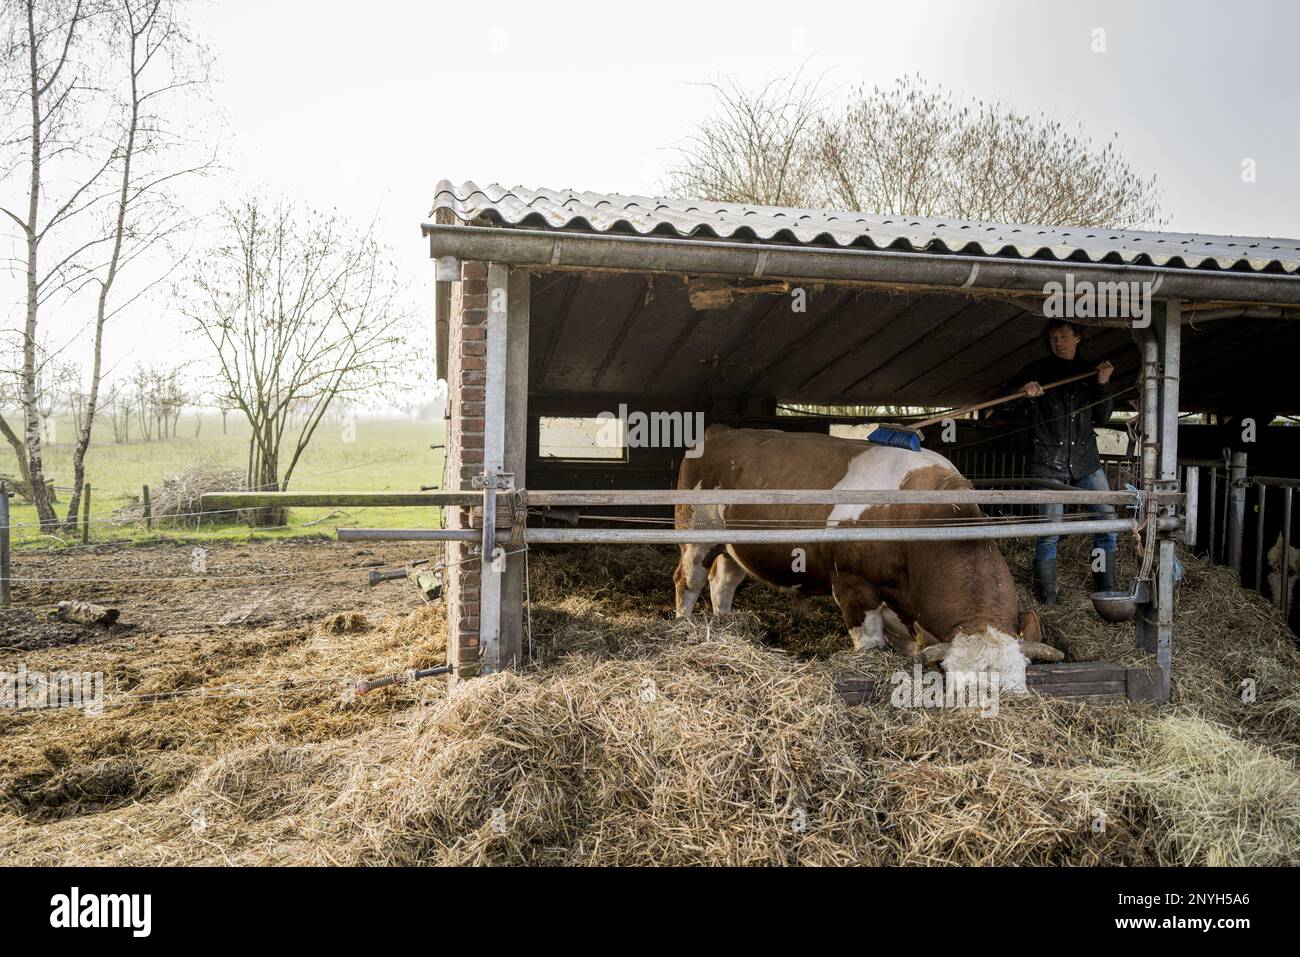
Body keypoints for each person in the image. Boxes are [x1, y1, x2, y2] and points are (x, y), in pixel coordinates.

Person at [1007, 320, 1116, 605]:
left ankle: (1105, 592)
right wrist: (1024, 393)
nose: (1058, 342)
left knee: (1106, 524)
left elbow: (1102, 418)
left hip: (1085, 461)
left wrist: (1103, 385)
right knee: (1048, 532)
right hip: (1048, 462)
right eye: (1053, 337)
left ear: (1078, 338)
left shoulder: (1091, 372)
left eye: (1064, 336)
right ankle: (1049, 602)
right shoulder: (1036, 372)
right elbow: (1007, 408)